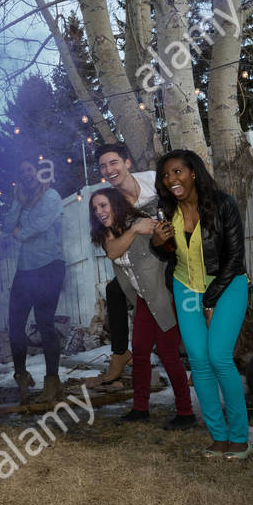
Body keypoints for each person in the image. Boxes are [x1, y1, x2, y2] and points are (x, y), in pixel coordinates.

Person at [150, 149, 250, 458]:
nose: (171, 180)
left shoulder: (223, 204)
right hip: (185, 287)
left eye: (177, 171)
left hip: (227, 284)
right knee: (200, 362)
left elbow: (234, 258)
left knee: (219, 357)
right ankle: (218, 436)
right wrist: (159, 244)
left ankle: (240, 438)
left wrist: (210, 299)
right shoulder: (168, 211)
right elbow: (174, 254)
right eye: (166, 175)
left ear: (193, 172)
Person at [89, 189, 195, 429]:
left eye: (103, 206)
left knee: (168, 355)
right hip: (143, 301)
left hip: (164, 297)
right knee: (139, 352)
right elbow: (114, 252)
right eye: (95, 209)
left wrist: (140, 228)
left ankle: (186, 412)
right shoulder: (111, 234)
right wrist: (134, 230)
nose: (99, 212)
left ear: (115, 205)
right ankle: (140, 409)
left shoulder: (141, 223)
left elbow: (167, 247)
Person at [91, 143, 161, 386]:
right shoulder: (111, 201)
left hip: (170, 254)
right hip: (142, 263)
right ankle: (120, 354)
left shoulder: (152, 181)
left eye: (113, 163)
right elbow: (112, 248)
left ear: (127, 163)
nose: (109, 170)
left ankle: (196, 359)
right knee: (114, 290)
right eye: (103, 166)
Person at [7, 158, 65, 404]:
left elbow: (39, 226)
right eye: (22, 171)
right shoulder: (19, 200)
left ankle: (52, 381)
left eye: (29, 169)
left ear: (38, 173)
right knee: (15, 325)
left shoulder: (51, 195)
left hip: (49, 266)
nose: (26, 174)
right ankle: (20, 375)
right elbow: (8, 224)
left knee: (45, 324)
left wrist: (21, 232)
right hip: (25, 269)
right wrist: (18, 208)